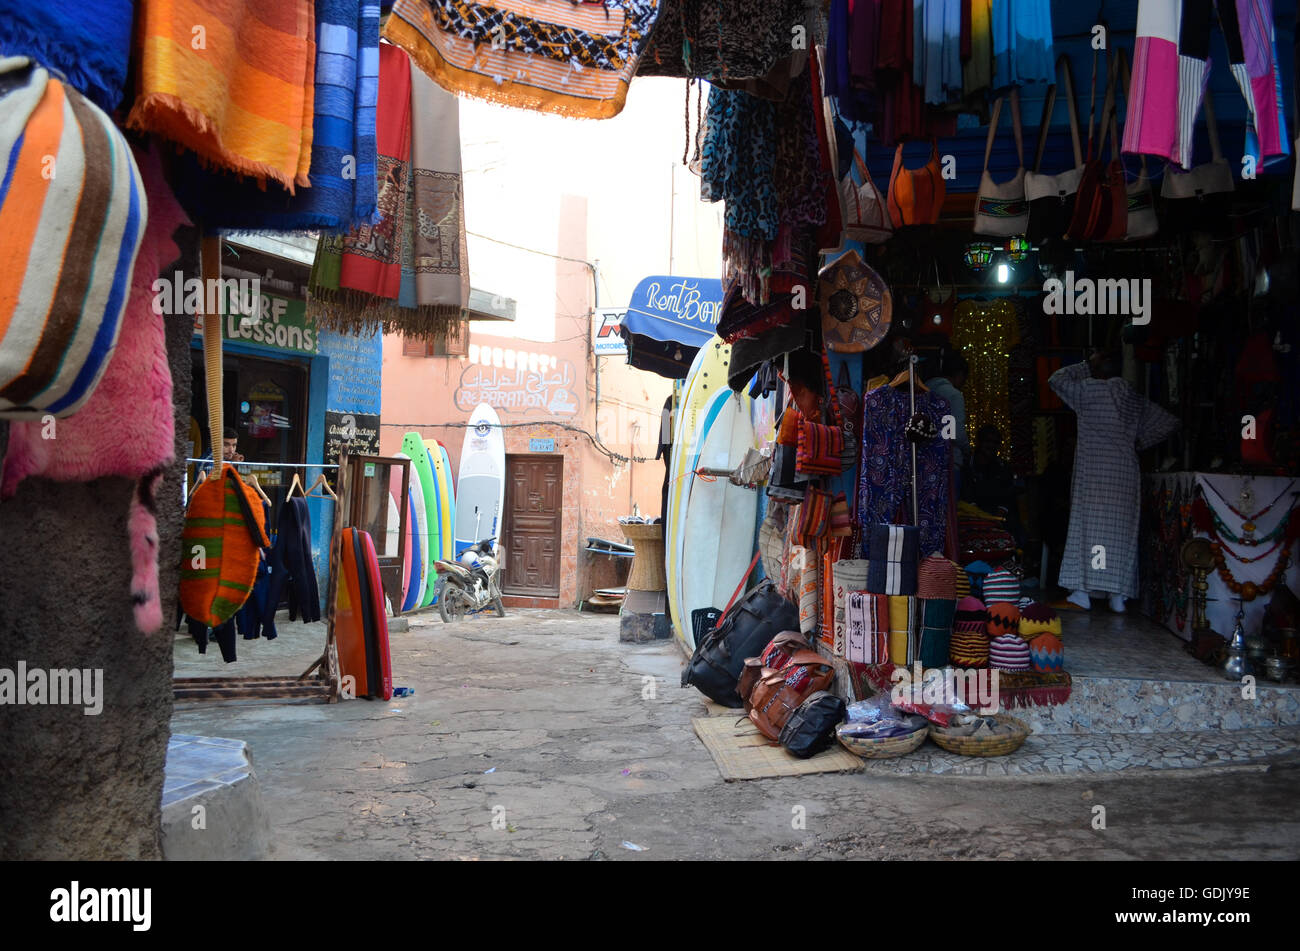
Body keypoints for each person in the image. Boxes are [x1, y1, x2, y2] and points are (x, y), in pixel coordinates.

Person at [1050, 350, 1179, 613]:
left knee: (1088, 529)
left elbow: (1057, 379)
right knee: (1120, 533)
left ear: (1098, 369)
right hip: (1125, 474)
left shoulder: (1089, 391)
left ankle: (1082, 592)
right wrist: (1140, 442)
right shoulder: (1132, 397)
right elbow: (1170, 422)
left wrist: (1085, 365)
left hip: (1095, 470)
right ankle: (1117, 596)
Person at [925, 350, 969, 469]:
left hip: (926, 458)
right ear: (959, 375)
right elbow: (956, 433)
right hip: (949, 459)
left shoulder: (925, 390)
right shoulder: (954, 395)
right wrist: (967, 448)